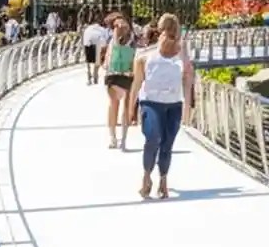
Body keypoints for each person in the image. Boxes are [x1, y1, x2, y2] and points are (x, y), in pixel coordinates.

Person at [128, 13, 193, 200]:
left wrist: (187, 109)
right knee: (153, 138)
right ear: (159, 31)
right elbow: (136, 84)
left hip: (174, 105)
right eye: (167, 30)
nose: (170, 34)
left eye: (174, 31)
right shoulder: (144, 56)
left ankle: (163, 179)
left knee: (167, 144)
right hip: (151, 103)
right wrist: (131, 109)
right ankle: (146, 177)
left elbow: (187, 82)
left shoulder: (182, 56)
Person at [101, 18, 136, 150]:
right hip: (126, 76)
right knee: (125, 107)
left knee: (112, 105)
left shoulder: (112, 42)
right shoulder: (132, 43)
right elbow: (134, 59)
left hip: (112, 76)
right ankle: (124, 139)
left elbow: (107, 60)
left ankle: (112, 138)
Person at [80, 16, 107, 84]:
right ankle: (95, 76)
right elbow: (105, 39)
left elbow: (83, 40)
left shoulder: (87, 29)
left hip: (88, 43)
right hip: (98, 43)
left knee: (89, 62)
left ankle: (89, 77)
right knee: (97, 62)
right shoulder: (102, 29)